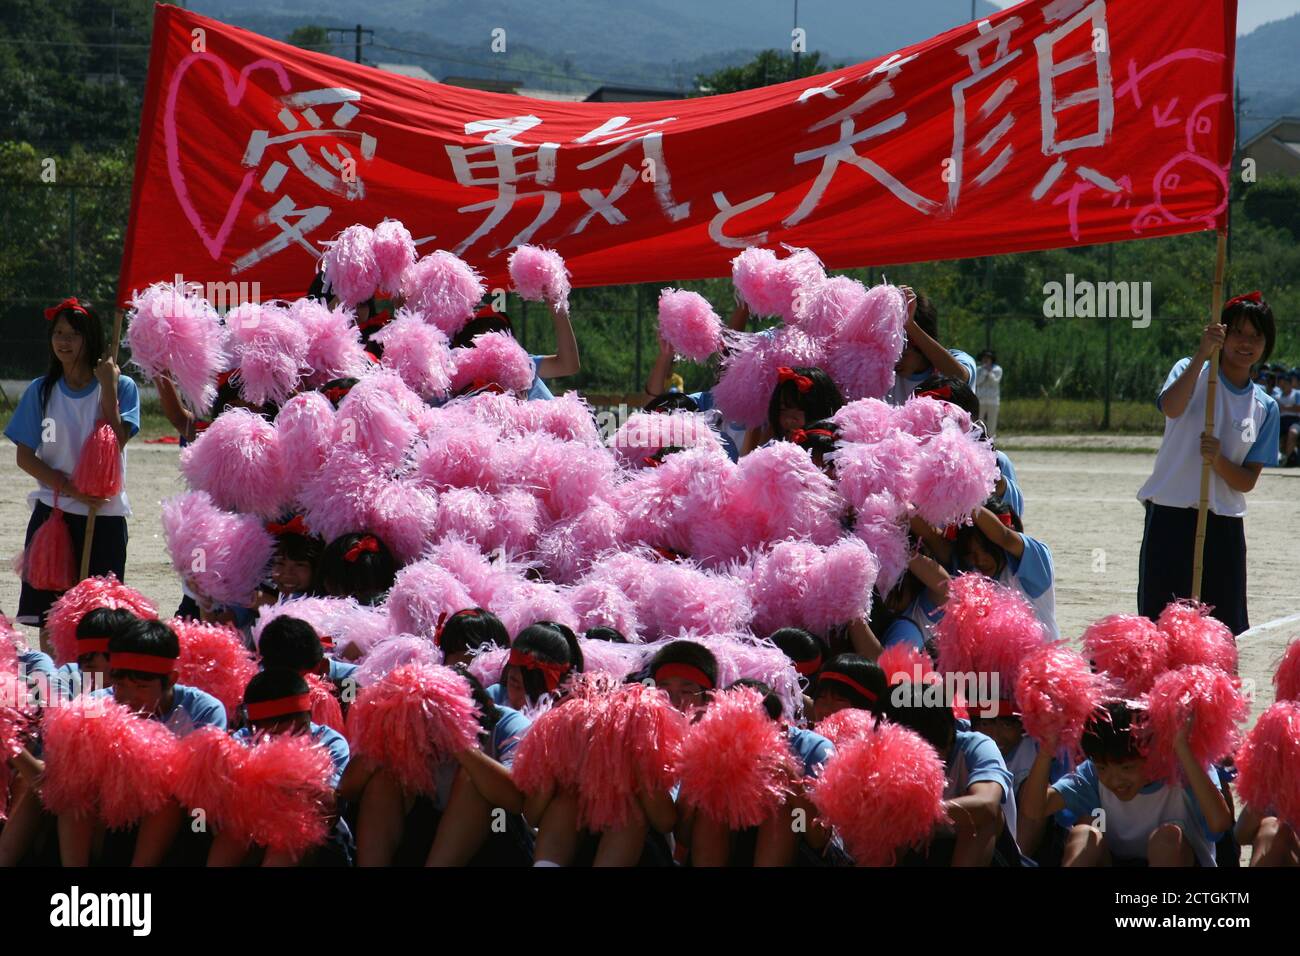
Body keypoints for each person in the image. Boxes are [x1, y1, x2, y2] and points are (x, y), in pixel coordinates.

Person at [1135, 292, 1278, 636]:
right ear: (1223, 334)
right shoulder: (1190, 370)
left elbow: (1246, 481)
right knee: (1161, 616)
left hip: (1224, 523)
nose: (1246, 343)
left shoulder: (1265, 406)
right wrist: (1202, 353)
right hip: (1171, 512)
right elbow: (1171, 407)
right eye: (1238, 333)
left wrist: (1218, 461)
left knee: (1222, 624)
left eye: (1256, 336)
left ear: (1266, 344)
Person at [5, 298, 140, 640]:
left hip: (104, 516)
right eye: (58, 333)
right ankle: (56, 689)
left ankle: (94, 691)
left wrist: (108, 386)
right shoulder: (41, 390)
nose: (63, 341)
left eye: (74, 334)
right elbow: (25, 456)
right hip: (54, 514)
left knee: (100, 619)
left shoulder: (123, 387)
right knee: (50, 620)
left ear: (91, 338)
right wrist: (71, 489)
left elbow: (118, 441)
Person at [1018, 701, 1231, 866]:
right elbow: (1035, 809)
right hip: (1115, 861)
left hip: (1179, 862)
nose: (1114, 779)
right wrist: (1046, 751)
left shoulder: (1183, 768)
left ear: (1152, 755)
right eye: (1103, 768)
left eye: (1126, 768)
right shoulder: (1093, 772)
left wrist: (1182, 747)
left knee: (1167, 838)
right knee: (1084, 834)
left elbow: (1219, 824)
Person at [207, 668, 353, 866]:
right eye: (276, 737)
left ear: (309, 716)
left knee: (287, 836)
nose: (290, 743)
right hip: (252, 833)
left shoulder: (329, 742)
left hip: (318, 840)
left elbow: (328, 802)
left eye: (300, 730)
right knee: (233, 832)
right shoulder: (239, 743)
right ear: (253, 728)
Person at [887, 679, 1019, 866]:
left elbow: (987, 803)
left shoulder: (975, 746)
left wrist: (926, 816)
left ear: (949, 734)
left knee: (980, 817)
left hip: (992, 857)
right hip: (924, 855)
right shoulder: (884, 760)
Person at [450, 298, 579, 401]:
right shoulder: (454, 378)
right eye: (476, 333)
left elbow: (568, 365)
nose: (489, 338)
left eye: (497, 330)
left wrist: (556, 304)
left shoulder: (523, 366)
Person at [885, 288, 977, 406]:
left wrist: (910, 325)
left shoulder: (959, 358)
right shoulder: (886, 376)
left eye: (903, 353)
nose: (895, 360)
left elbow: (959, 378)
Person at [974, 350, 1002, 437]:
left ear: (991, 359)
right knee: (978, 421)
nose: (985, 360)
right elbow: (977, 382)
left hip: (993, 400)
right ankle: (977, 440)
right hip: (980, 400)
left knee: (992, 423)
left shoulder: (997, 369)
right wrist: (984, 372)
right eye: (984, 358)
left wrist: (989, 373)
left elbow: (995, 382)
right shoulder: (978, 369)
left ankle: (991, 442)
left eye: (987, 358)